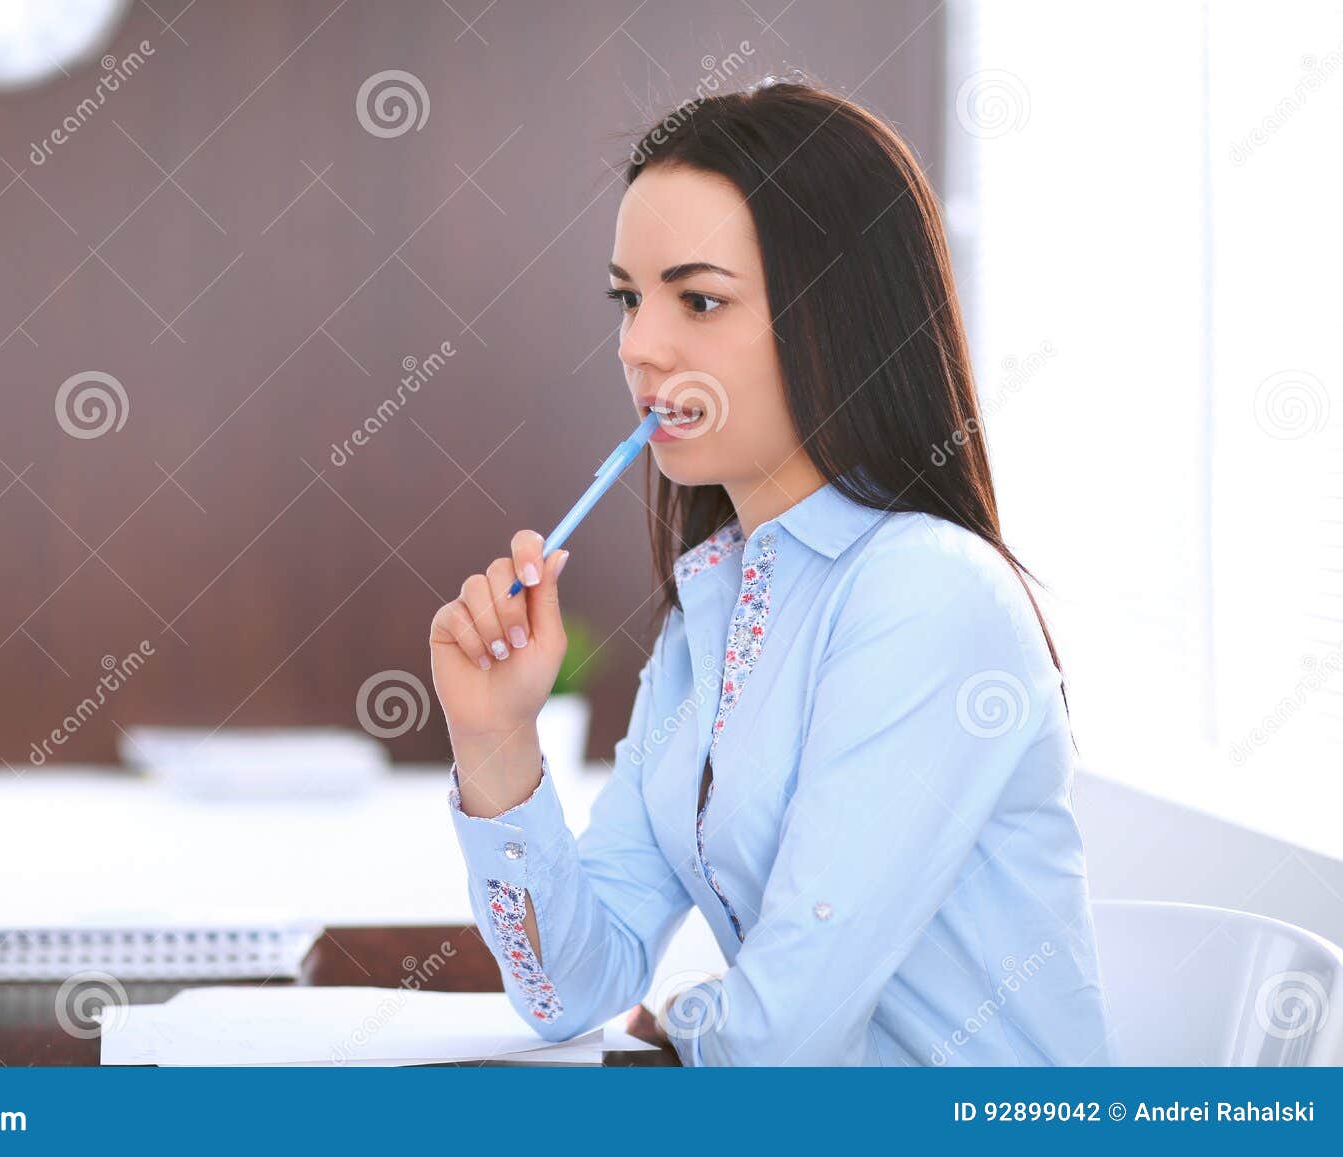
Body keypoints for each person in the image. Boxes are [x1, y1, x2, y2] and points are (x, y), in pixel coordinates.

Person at [427, 78, 1112, 1066]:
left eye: (698, 300)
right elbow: (570, 988)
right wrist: (493, 742)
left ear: (835, 317)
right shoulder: (705, 612)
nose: (639, 345)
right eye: (628, 298)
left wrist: (692, 1024)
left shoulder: (926, 595)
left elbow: (783, 1033)